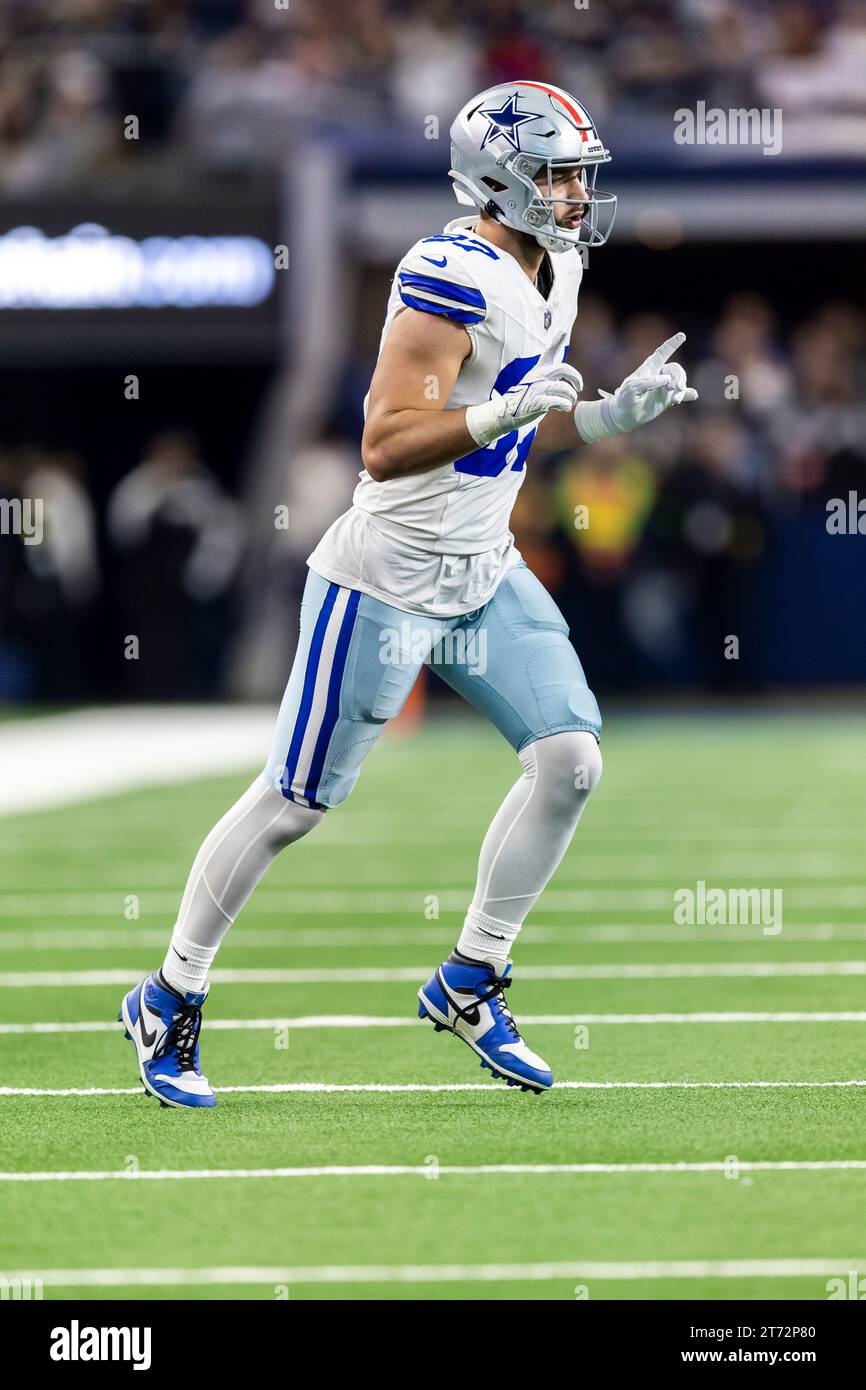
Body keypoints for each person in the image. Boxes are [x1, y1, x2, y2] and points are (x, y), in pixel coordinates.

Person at [118, 80, 697, 1107]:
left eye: (576, 174)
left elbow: (522, 419)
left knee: (569, 763)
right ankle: (169, 992)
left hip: (482, 567)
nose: (574, 193)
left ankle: (469, 976)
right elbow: (384, 443)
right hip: (387, 572)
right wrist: (506, 410)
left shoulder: (557, 263)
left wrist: (604, 421)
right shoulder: (446, 272)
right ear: (498, 179)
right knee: (294, 803)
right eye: (557, 173)